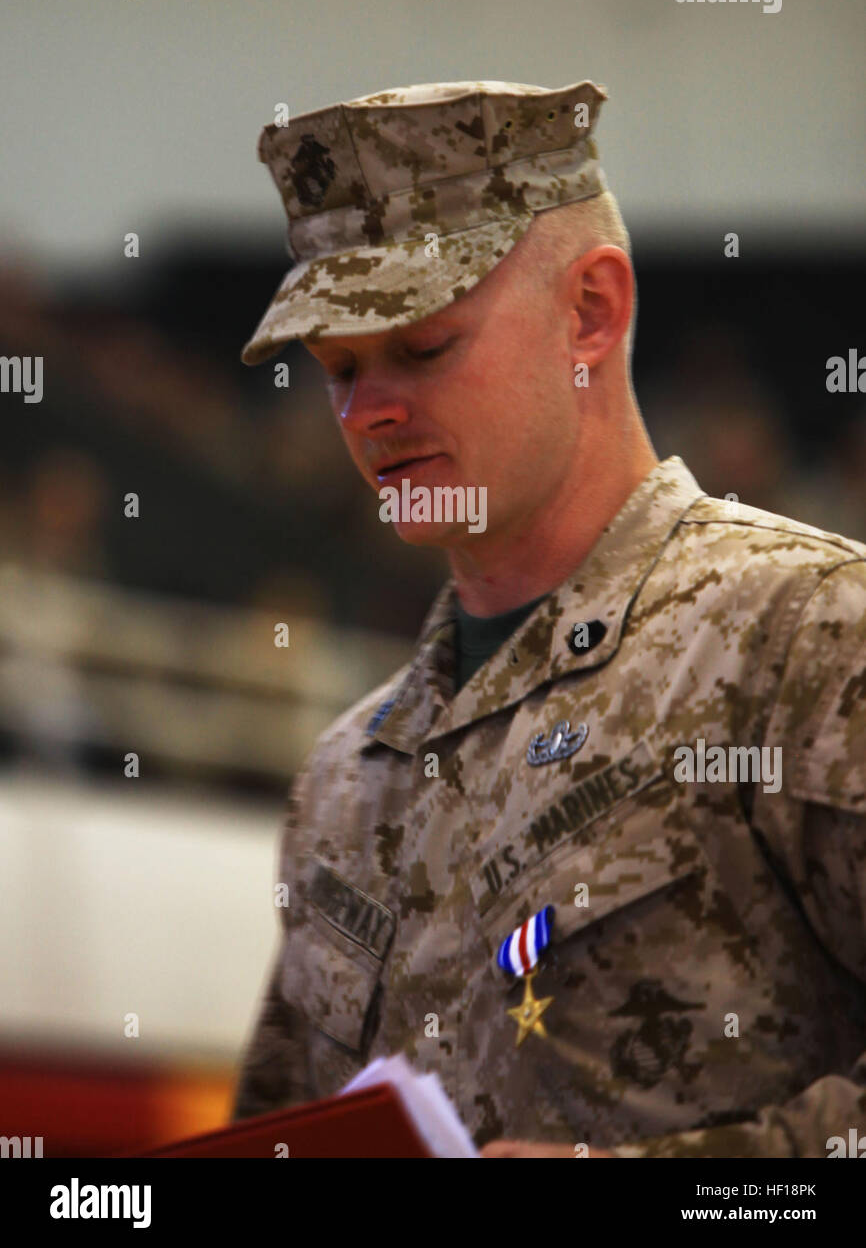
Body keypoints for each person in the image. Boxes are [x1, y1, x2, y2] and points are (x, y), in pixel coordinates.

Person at [231, 79, 866, 1157]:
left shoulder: (802, 636)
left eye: (422, 348)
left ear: (589, 311)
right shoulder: (346, 778)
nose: (367, 411)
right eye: (336, 369)